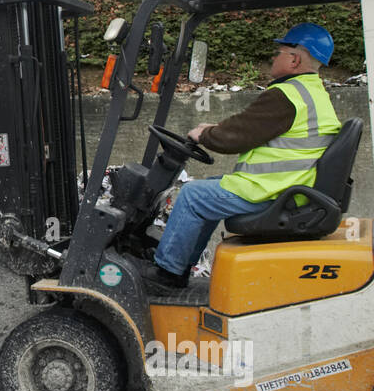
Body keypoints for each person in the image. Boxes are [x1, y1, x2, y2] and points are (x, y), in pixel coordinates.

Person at [137, 23, 341, 294]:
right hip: (287, 188)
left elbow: (237, 136)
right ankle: (178, 266)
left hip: (274, 191)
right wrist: (214, 129)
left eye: (279, 51)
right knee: (207, 191)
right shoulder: (310, 92)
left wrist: (206, 134)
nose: (273, 57)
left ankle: (166, 274)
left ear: (294, 59)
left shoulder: (287, 95)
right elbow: (252, 126)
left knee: (192, 196)